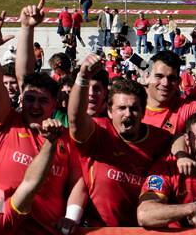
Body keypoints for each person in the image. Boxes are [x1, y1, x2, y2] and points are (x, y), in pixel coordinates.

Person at [0, 0, 88, 235]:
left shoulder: (65, 138)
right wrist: (25, 29)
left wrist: (72, 217)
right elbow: (8, 80)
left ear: (55, 104)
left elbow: (79, 180)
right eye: (29, 98)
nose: (35, 104)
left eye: (43, 100)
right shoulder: (3, 126)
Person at [67, 74, 172, 226]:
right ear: (110, 111)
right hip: (94, 232)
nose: (128, 114)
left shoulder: (159, 139)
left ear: (143, 112)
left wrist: (181, 151)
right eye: (121, 108)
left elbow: (179, 138)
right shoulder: (98, 130)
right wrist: (82, 77)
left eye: (134, 108)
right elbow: (75, 120)